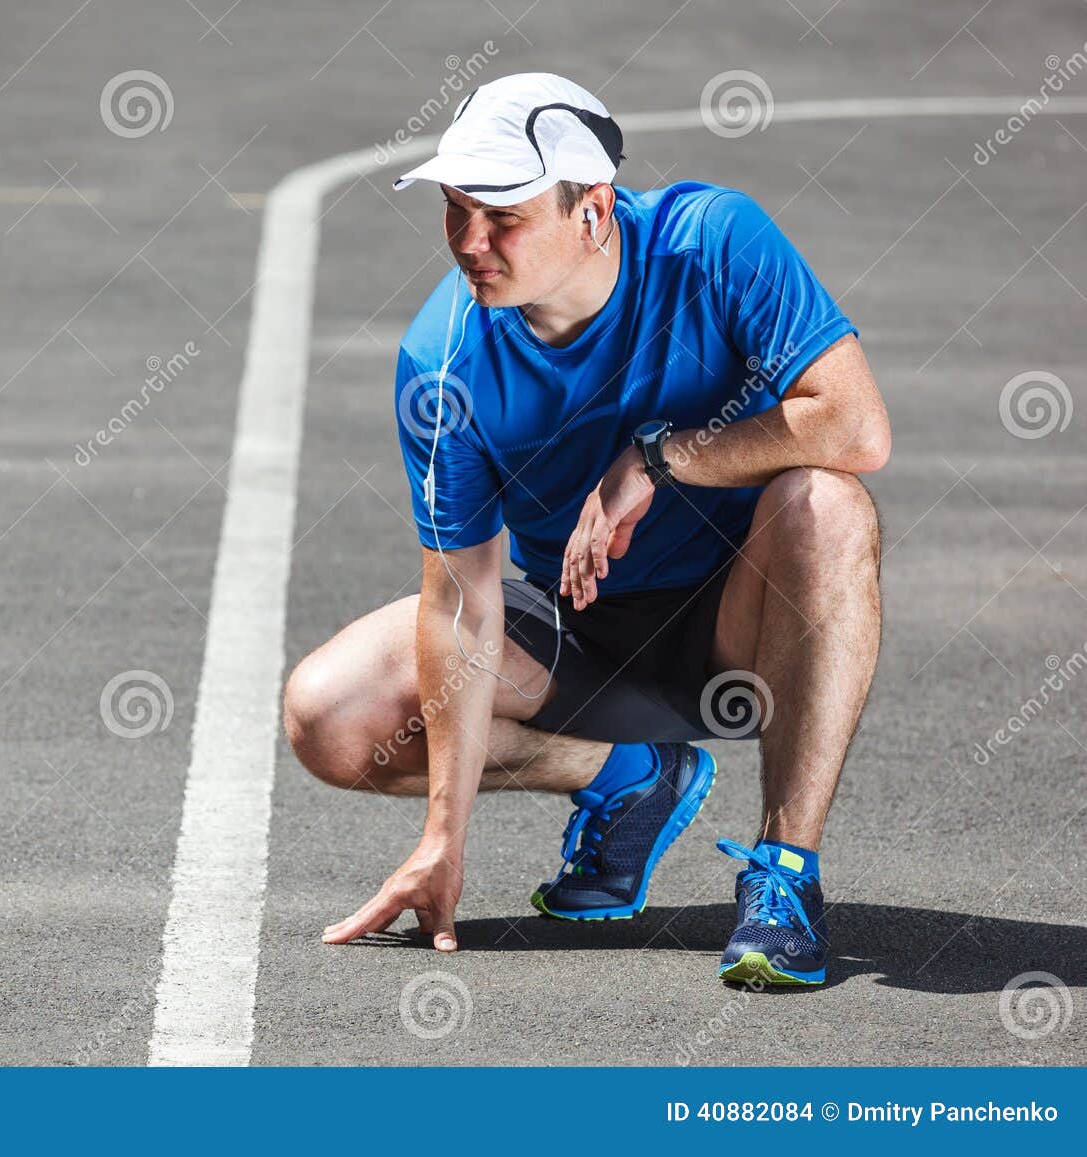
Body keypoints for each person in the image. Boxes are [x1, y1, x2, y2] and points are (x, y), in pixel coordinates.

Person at [282, 73, 890, 986]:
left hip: (738, 625)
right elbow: (464, 601)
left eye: (503, 218)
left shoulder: (713, 245)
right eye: (455, 210)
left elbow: (856, 426)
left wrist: (657, 458)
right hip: (580, 630)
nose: (469, 244)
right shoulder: (442, 357)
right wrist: (444, 840)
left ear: (593, 211)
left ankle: (784, 873)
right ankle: (628, 775)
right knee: (328, 717)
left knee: (831, 504)